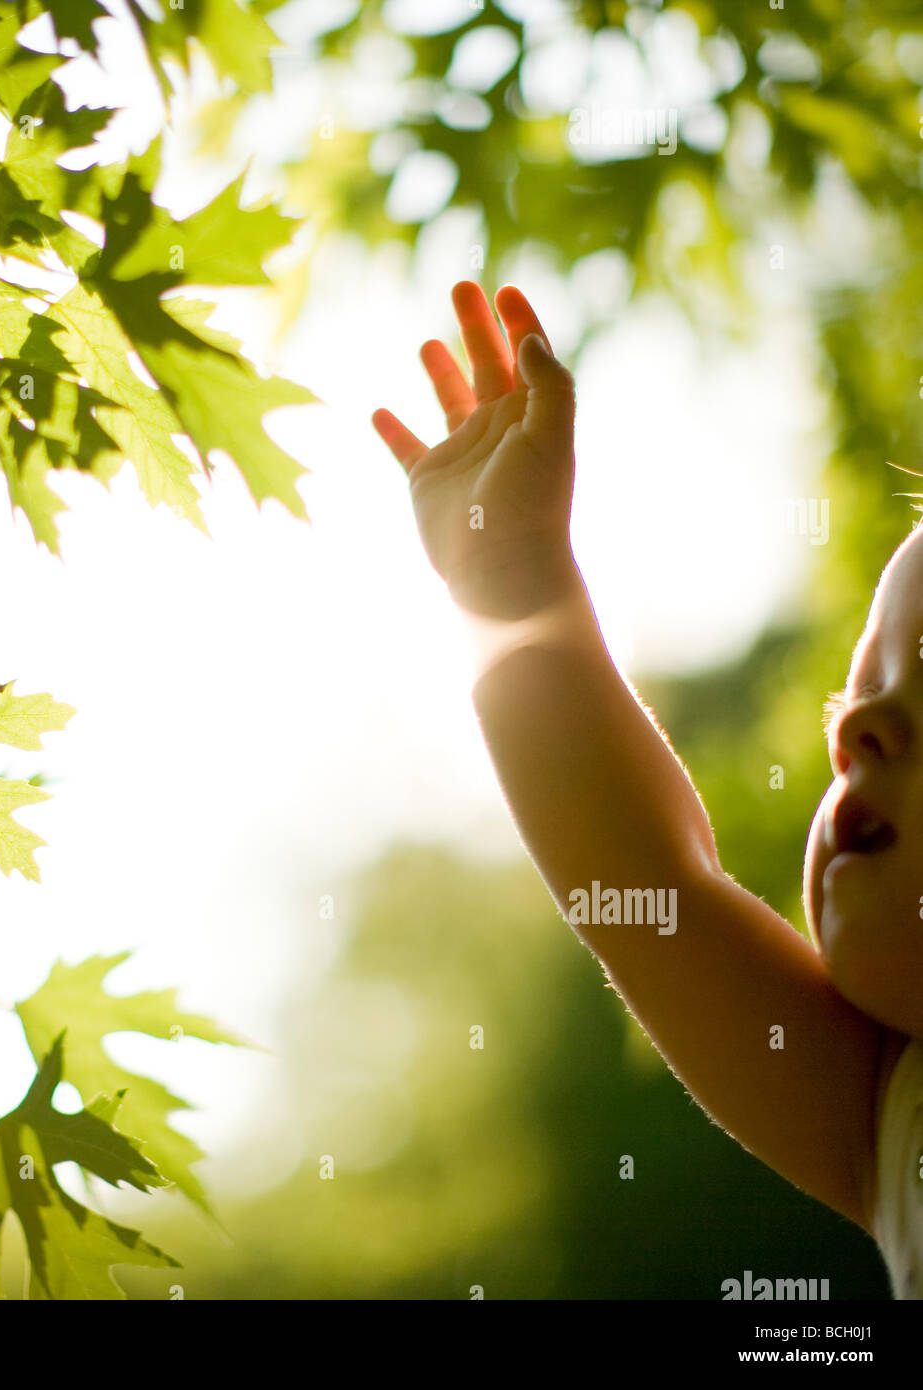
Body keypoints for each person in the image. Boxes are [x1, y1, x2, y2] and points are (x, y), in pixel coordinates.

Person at [372, 281, 923, 1298]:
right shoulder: (890, 1116)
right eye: (857, 692)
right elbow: (647, 892)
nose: (854, 727)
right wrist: (519, 585)